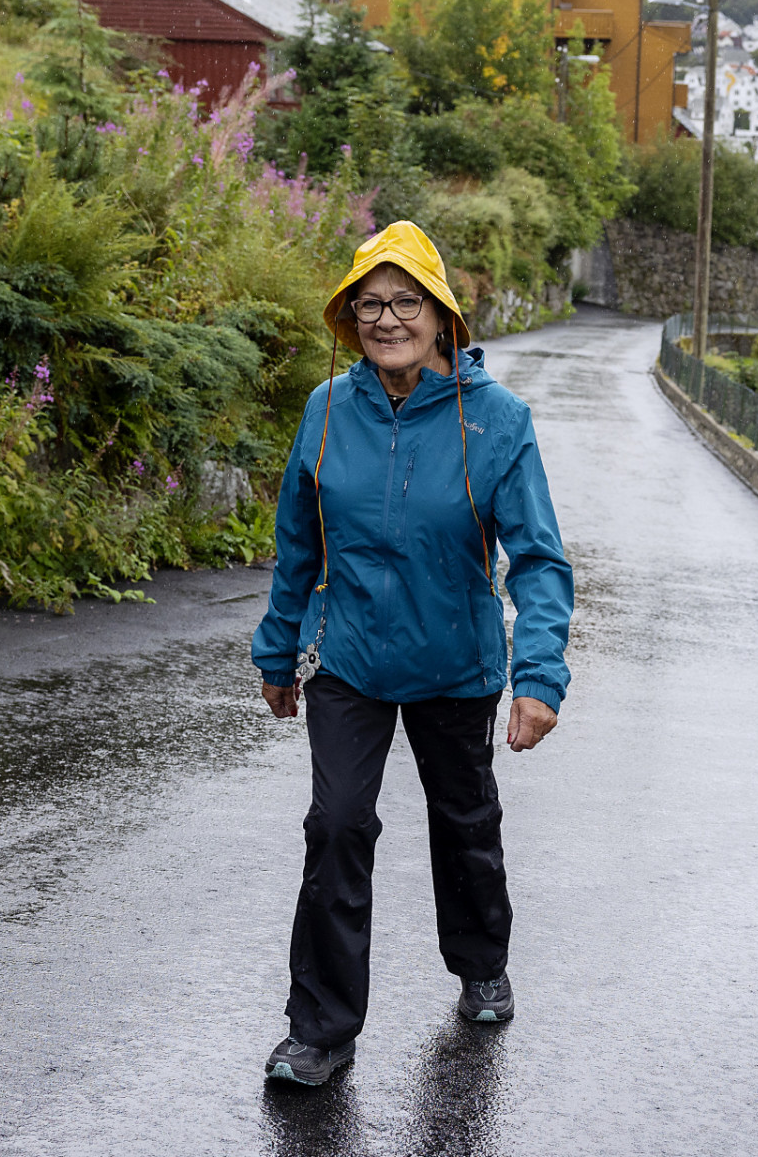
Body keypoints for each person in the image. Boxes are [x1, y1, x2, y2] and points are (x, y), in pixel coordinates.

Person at [252, 222, 574, 1087]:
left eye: (405, 302)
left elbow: (539, 562)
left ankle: (481, 963)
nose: (386, 320)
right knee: (336, 825)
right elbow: (298, 545)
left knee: (465, 821)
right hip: (349, 657)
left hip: (453, 661)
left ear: (441, 316)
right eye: (369, 305)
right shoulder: (327, 411)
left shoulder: (498, 422)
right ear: (349, 317)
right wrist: (278, 651)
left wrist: (539, 676)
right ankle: (321, 1031)